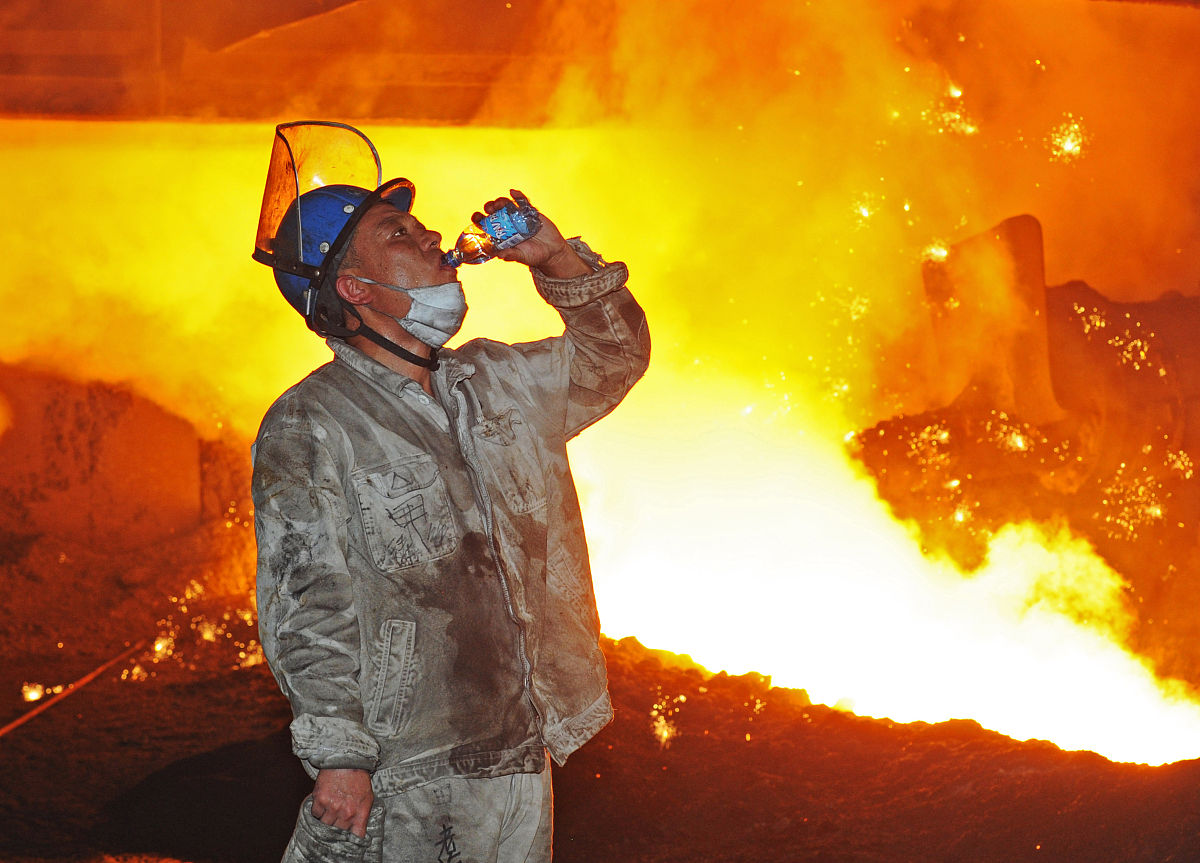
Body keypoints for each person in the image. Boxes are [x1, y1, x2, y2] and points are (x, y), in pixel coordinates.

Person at [250, 121, 649, 862]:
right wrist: (340, 754)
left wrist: (558, 261)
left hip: (525, 750)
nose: (433, 235)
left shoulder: (498, 382)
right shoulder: (314, 423)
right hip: (411, 770)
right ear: (355, 288)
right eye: (399, 233)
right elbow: (307, 599)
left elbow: (614, 356)